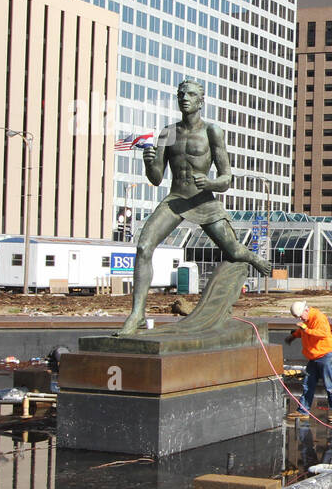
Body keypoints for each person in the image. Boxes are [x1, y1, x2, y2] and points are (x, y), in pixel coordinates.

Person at [116, 79, 272, 335]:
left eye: (190, 94)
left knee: (233, 250)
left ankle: (253, 257)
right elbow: (156, 178)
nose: (184, 98)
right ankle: (137, 315)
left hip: (203, 200)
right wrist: (148, 163)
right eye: (180, 94)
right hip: (176, 200)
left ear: (201, 101)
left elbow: (226, 178)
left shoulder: (212, 131)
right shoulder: (168, 132)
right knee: (143, 247)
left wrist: (209, 181)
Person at [285, 300, 332, 423]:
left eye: (300, 316)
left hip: (326, 355)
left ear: (306, 310)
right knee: (308, 384)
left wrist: (306, 329)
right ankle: (302, 411)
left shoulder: (319, 317)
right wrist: (294, 336)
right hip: (314, 356)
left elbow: (322, 333)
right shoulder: (306, 320)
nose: (300, 318)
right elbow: (302, 331)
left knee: (330, 385)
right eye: (297, 317)